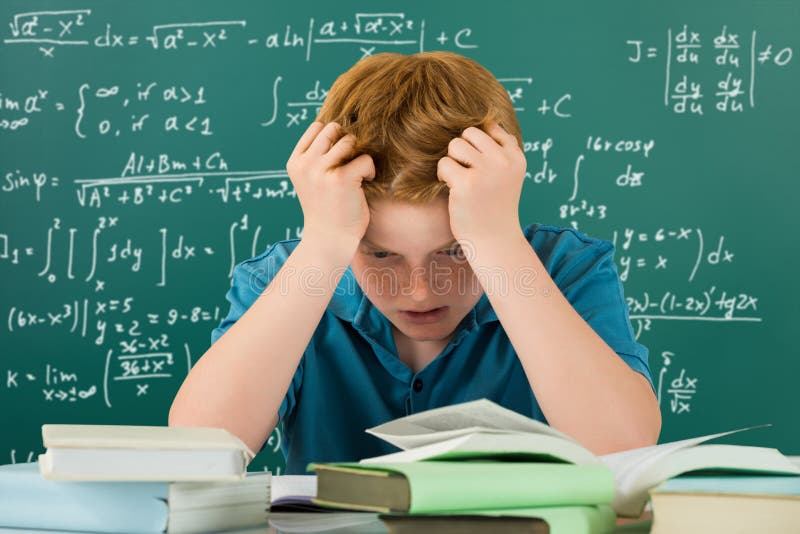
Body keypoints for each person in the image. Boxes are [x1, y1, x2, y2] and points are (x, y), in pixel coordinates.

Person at [168, 51, 661, 474]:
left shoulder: (565, 271)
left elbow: (622, 447)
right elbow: (200, 448)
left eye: (456, 250)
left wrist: (495, 242)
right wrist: (322, 244)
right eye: (381, 253)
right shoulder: (289, 279)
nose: (420, 290)